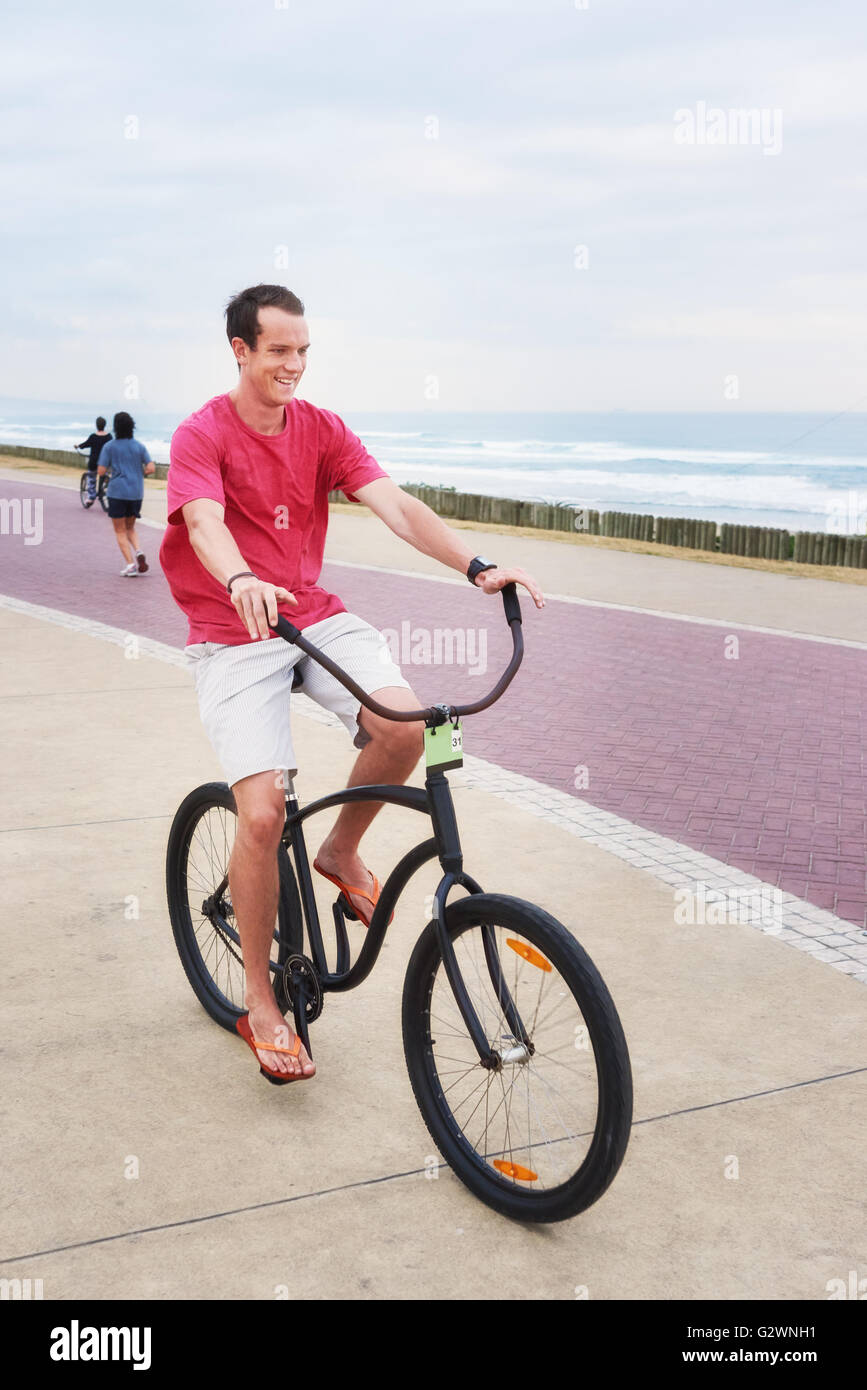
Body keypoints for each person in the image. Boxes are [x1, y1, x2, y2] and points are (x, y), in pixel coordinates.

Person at [159, 283, 545, 1083]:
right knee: (261, 813)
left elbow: (395, 507)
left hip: (311, 614)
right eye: (278, 351)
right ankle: (260, 1003)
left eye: (303, 350)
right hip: (234, 631)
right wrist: (238, 580)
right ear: (241, 350)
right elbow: (203, 523)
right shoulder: (202, 434)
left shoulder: (322, 430)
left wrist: (476, 567)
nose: (294, 364)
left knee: (406, 723)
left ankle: (340, 850)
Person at [97, 412, 155, 575]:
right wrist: (139, 474)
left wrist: (112, 470)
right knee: (131, 527)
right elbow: (151, 468)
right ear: (132, 426)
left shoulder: (109, 446)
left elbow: (101, 471)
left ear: (115, 428)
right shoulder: (139, 446)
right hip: (136, 493)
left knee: (120, 530)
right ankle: (138, 551)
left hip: (117, 492)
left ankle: (131, 565)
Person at [74, 417, 112, 502]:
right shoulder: (109, 437)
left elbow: (85, 444)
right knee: (108, 475)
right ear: (104, 425)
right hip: (105, 463)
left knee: (91, 478)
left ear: (96, 425)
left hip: (94, 462)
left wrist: (78, 446)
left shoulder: (93, 437)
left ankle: (91, 498)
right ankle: (105, 489)